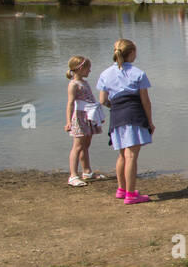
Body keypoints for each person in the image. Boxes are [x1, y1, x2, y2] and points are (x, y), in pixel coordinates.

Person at [96, 38, 155, 204]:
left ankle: (121, 189)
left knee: (122, 154)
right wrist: (149, 122)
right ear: (132, 53)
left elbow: (102, 100)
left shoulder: (105, 74)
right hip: (134, 114)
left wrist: (115, 107)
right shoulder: (138, 73)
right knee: (131, 157)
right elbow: (145, 102)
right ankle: (131, 195)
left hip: (116, 115)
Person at [63, 55, 106, 186]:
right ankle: (73, 175)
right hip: (79, 118)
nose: (90, 71)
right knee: (77, 146)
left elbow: (91, 100)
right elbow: (70, 104)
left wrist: (97, 117)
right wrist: (69, 122)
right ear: (80, 68)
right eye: (88, 68)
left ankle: (87, 171)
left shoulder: (85, 82)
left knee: (85, 145)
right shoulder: (73, 85)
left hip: (88, 117)